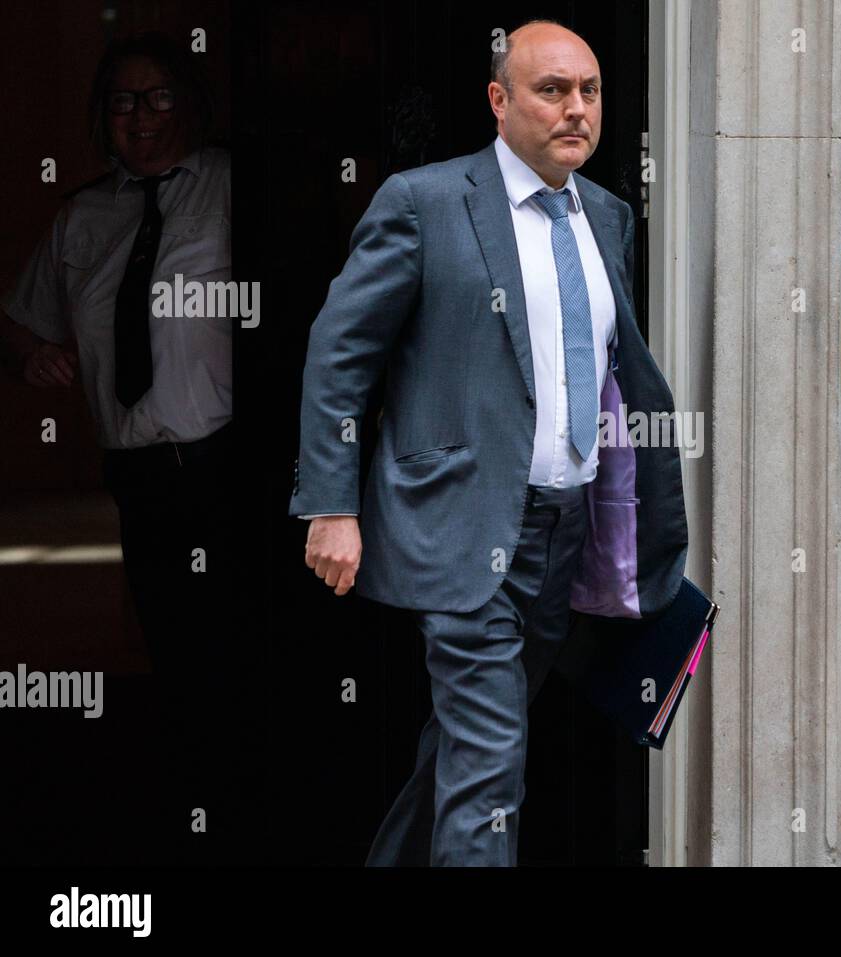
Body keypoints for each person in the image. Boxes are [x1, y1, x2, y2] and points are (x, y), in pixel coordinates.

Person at [291, 19, 689, 866]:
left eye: (589, 91)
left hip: (565, 532)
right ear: (499, 101)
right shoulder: (425, 201)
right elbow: (340, 351)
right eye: (552, 91)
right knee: (491, 769)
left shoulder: (609, 216)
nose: (576, 109)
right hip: (462, 522)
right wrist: (331, 502)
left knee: (466, 750)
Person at [0, 31, 252, 865]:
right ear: (101, 117)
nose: (141, 118)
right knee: (170, 645)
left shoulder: (232, 186)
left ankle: (248, 808)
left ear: (192, 104)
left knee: (237, 647)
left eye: (159, 98)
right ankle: (187, 813)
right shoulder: (83, 216)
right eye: (122, 102)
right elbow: (20, 320)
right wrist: (32, 354)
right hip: (139, 477)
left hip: (228, 466)